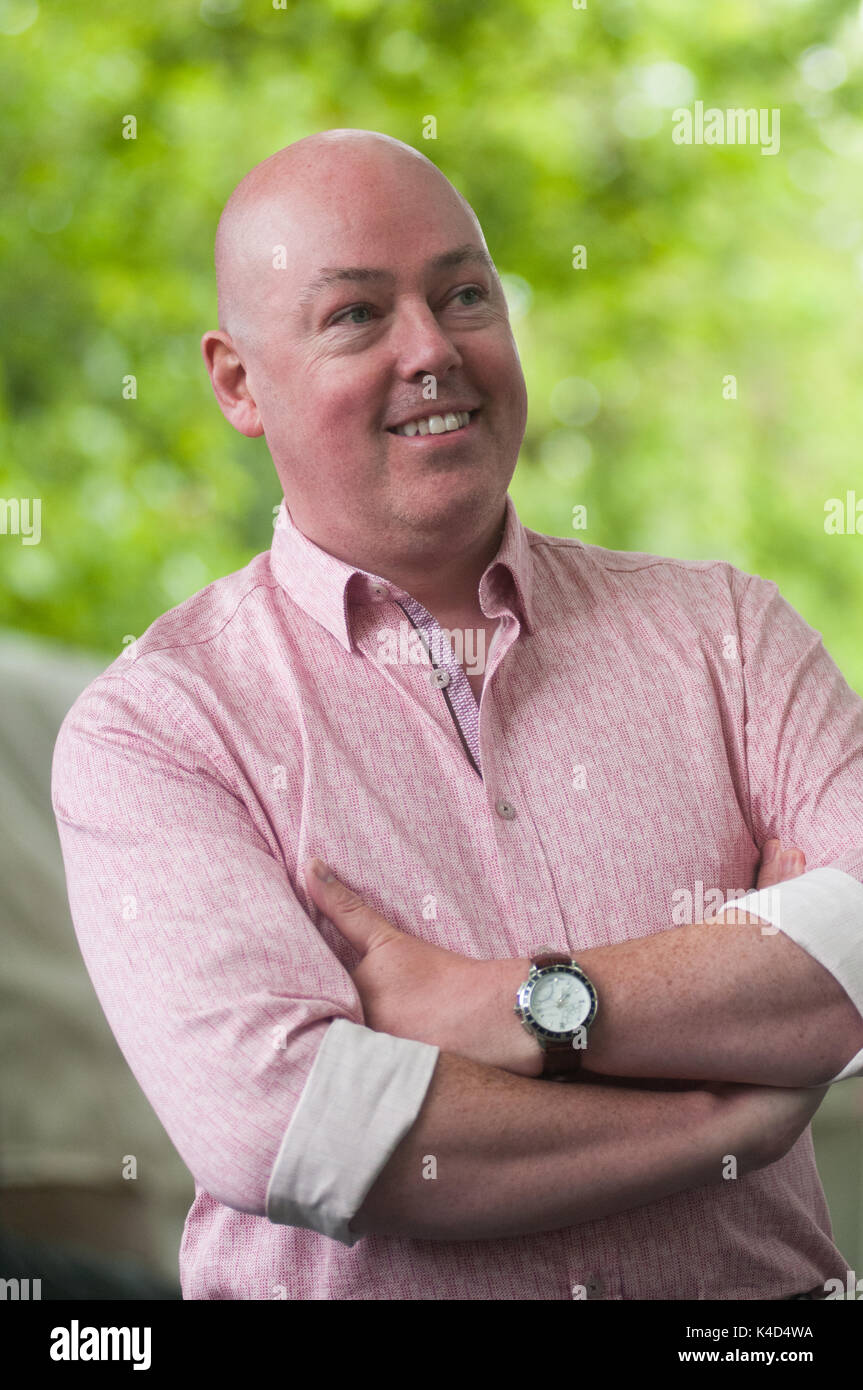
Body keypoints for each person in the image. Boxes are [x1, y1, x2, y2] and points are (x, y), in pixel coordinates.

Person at [52, 129, 863, 1301]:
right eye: (355, 316)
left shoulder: (724, 633)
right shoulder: (159, 729)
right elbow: (294, 1130)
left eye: (463, 294)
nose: (431, 350)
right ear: (237, 381)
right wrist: (727, 1113)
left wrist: (494, 1007)